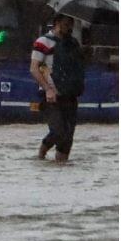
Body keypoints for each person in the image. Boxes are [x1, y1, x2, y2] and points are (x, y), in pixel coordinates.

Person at [30, 12, 86, 162]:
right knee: (58, 131)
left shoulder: (74, 43)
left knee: (68, 137)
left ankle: (61, 166)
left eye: (71, 23)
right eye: (65, 23)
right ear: (57, 22)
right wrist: (47, 89)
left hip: (70, 94)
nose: (69, 27)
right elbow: (34, 68)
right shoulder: (43, 42)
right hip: (50, 96)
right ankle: (41, 153)